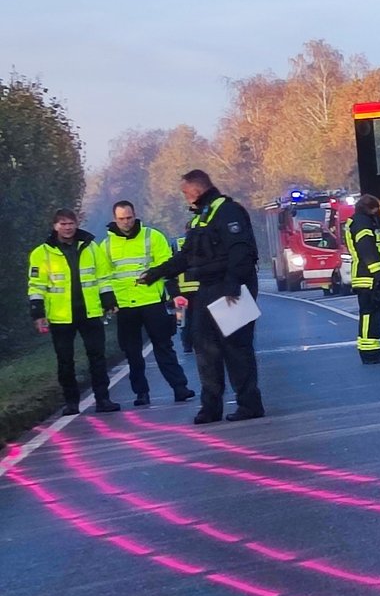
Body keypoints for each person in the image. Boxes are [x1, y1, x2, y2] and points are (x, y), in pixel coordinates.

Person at [140, 170, 264, 424]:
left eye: (185, 192)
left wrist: (233, 284)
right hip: (207, 289)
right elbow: (186, 256)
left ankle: (249, 404)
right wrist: (156, 274)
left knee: (236, 349)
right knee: (205, 350)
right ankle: (210, 407)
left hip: (231, 288)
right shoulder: (201, 219)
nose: (184, 196)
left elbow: (241, 250)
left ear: (196, 190)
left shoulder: (228, 211)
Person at [26, 208, 120, 415]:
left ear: (76, 224)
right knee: (65, 360)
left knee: (97, 356)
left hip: (90, 311)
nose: (67, 228)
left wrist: (108, 300)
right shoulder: (41, 253)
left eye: (70, 223)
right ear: (55, 226)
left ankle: (103, 399)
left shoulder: (91, 247)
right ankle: (71, 403)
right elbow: (36, 286)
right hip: (61, 316)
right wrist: (38, 313)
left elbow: (104, 277)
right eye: (62, 224)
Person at [100, 201, 194, 406]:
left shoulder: (153, 236)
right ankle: (141, 393)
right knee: (132, 353)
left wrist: (171, 292)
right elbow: (103, 277)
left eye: (129, 217)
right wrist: (108, 301)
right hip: (125, 305)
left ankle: (180, 388)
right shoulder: (106, 246)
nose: (126, 222)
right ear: (115, 219)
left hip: (152, 301)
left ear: (135, 215)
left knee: (164, 347)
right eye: (122, 219)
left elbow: (167, 266)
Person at [346, 199, 380, 364]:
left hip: (368, 277)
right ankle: (369, 352)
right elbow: (366, 248)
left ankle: (372, 349)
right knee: (370, 314)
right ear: (369, 208)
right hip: (369, 278)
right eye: (376, 209)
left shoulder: (362, 221)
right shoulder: (363, 223)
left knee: (372, 314)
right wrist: (378, 273)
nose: (379, 211)